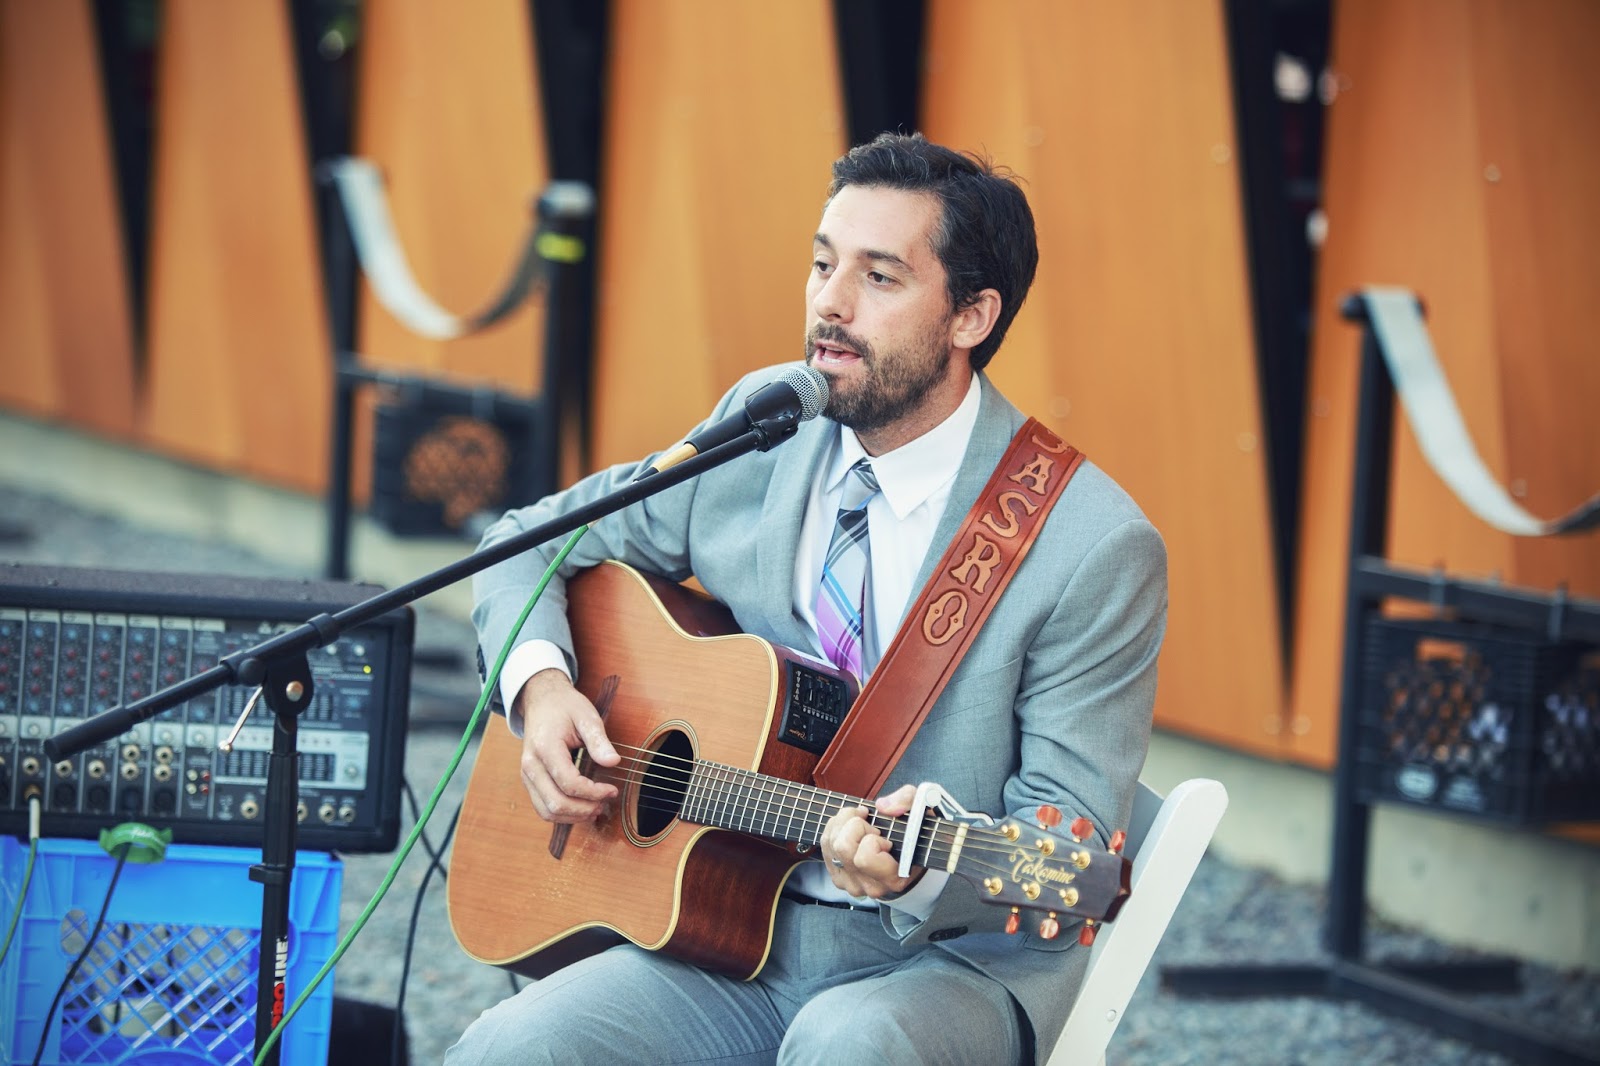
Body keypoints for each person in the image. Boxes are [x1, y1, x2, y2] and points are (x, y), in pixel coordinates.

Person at [449, 132, 1167, 1065]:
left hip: (941, 965)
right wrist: (542, 691)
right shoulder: (767, 428)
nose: (829, 303)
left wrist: (915, 872)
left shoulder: (1091, 546)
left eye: (879, 277)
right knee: (506, 1049)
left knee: (846, 1048)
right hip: (723, 934)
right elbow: (530, 542)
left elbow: (1062, 853)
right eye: (823, 263)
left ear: (971, 316)